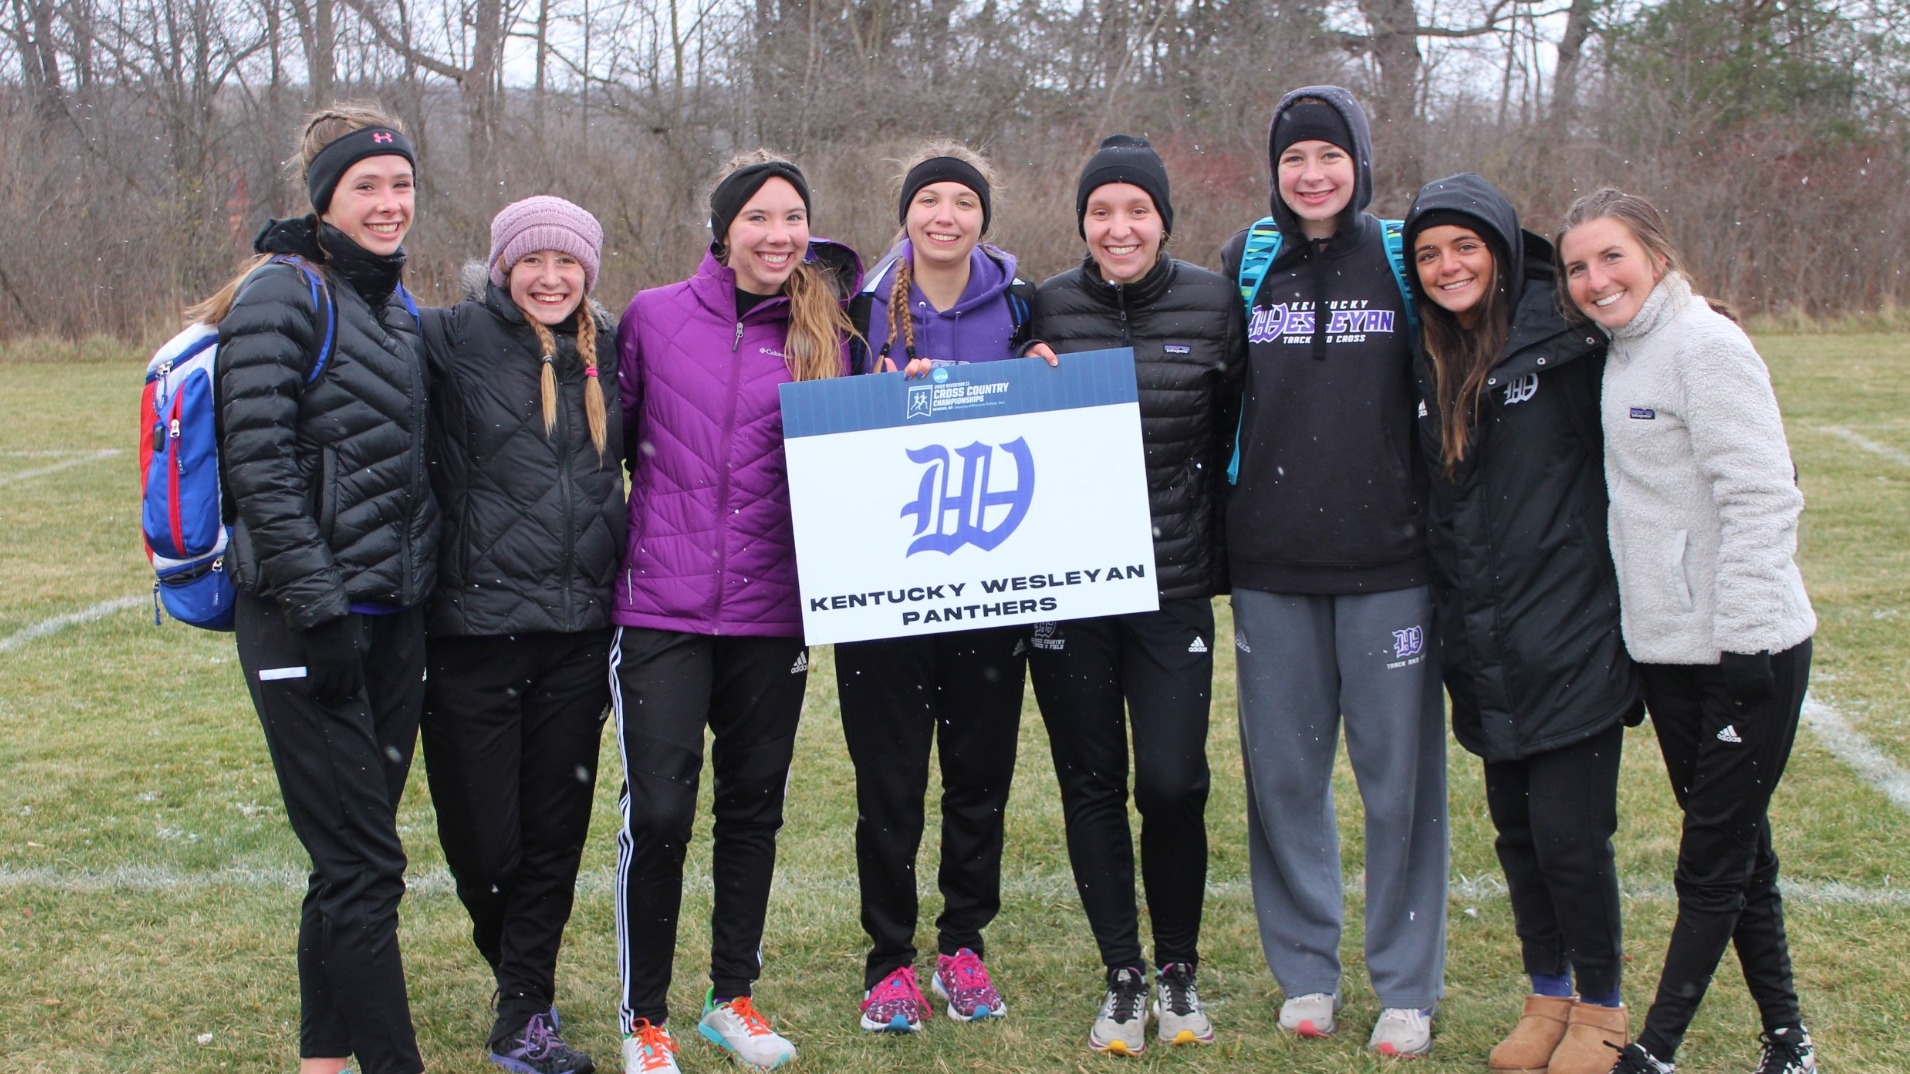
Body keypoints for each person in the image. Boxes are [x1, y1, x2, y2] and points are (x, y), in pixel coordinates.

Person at [1554, 189, 1819, 1074]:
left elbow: (1764, 494)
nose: (1595, 280)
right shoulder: (1623, 352)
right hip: (1668, 654)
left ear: (1656, 256)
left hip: (1747, 652)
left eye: (1612, 258)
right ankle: (1788, 1039)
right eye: (1578, 267)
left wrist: (1744, 638)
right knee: (1744, 853)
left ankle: (1655, 1051)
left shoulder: (1706, 346)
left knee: (1709, 862)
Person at [609, 152, 858, 1074]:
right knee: (663, 811)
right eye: (759, 217)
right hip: (663, 612)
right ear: (723, 230)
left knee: (752, 809)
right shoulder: (653, 318)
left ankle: (731, 996)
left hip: (772, 612)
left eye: (793, 217)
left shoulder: (827, 330)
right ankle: (643, 1017)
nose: (778, 234)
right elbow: (608, 445)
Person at [203, 102, 438, 1074]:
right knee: (366, 868)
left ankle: (322, 1060)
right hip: (309, 625)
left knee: (347, 863)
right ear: (326, 200)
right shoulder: (282, 296)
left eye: (400, 186)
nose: (388, 204)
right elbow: (256, 470)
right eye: (366, 188)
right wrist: (322, 609)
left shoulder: (391, 303)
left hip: (388, 625)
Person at [1219, 85, 1448, 1058]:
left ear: (1358, 159)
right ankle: (1305, 972)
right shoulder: (1247, 261)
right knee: (1282, 778)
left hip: (1388, 565)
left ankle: (1404, 984)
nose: (1310, 175)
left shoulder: (1402, 254)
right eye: (1292, 159)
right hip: (1268, 567)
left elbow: (1502, 292)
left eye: (1328, 155)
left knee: (1397, 785)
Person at [1403, 173, 1643, 1074]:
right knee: (1518, 835)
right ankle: (1547, 995)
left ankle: (1604, 1011)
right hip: (1484, 640)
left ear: (1503, 251)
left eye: (1465, 246)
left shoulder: (1572, 342)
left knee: (1575, 840)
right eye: (1428, 253)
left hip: (1571, 631)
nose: (1447, 266)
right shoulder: (1429, 356)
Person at [1023, 134, 1243, 1055]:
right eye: (1102, 212)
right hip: (1069, 591)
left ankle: (1179, 968)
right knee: (1092, 781)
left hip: (1172, 585)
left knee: (1172, 780)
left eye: (1137, 211)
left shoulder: (1212, 301)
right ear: (1082, 222)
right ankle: (1122, 973)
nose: (1120, 228)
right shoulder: (1044, 307)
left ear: (1163, 219)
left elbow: (1231, 430)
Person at [419, 195, 624, 1074]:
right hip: (471, 633)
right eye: (533, 261)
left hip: (578, 633)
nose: (551, 278)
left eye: (568, 263)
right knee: (483, 843)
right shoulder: (447, 338)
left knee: (552, 833)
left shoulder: (610, 349)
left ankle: (524, 1012)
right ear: (503, 265)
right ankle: (517, 970)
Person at [835, 142, 1035, 1035]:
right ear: (905, 213)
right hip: (884, 586)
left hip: (990, 588)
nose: (945, 216)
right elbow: (822, 426)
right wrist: (867, 393)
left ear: (983, 217)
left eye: (962, 201)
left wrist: (1049, 380)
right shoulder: (860, 308)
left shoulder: (1024, 305)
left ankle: (963, 945)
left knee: (978, 775)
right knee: (888, 782)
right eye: (929, 201)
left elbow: (1057, 418)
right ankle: (889, 962)